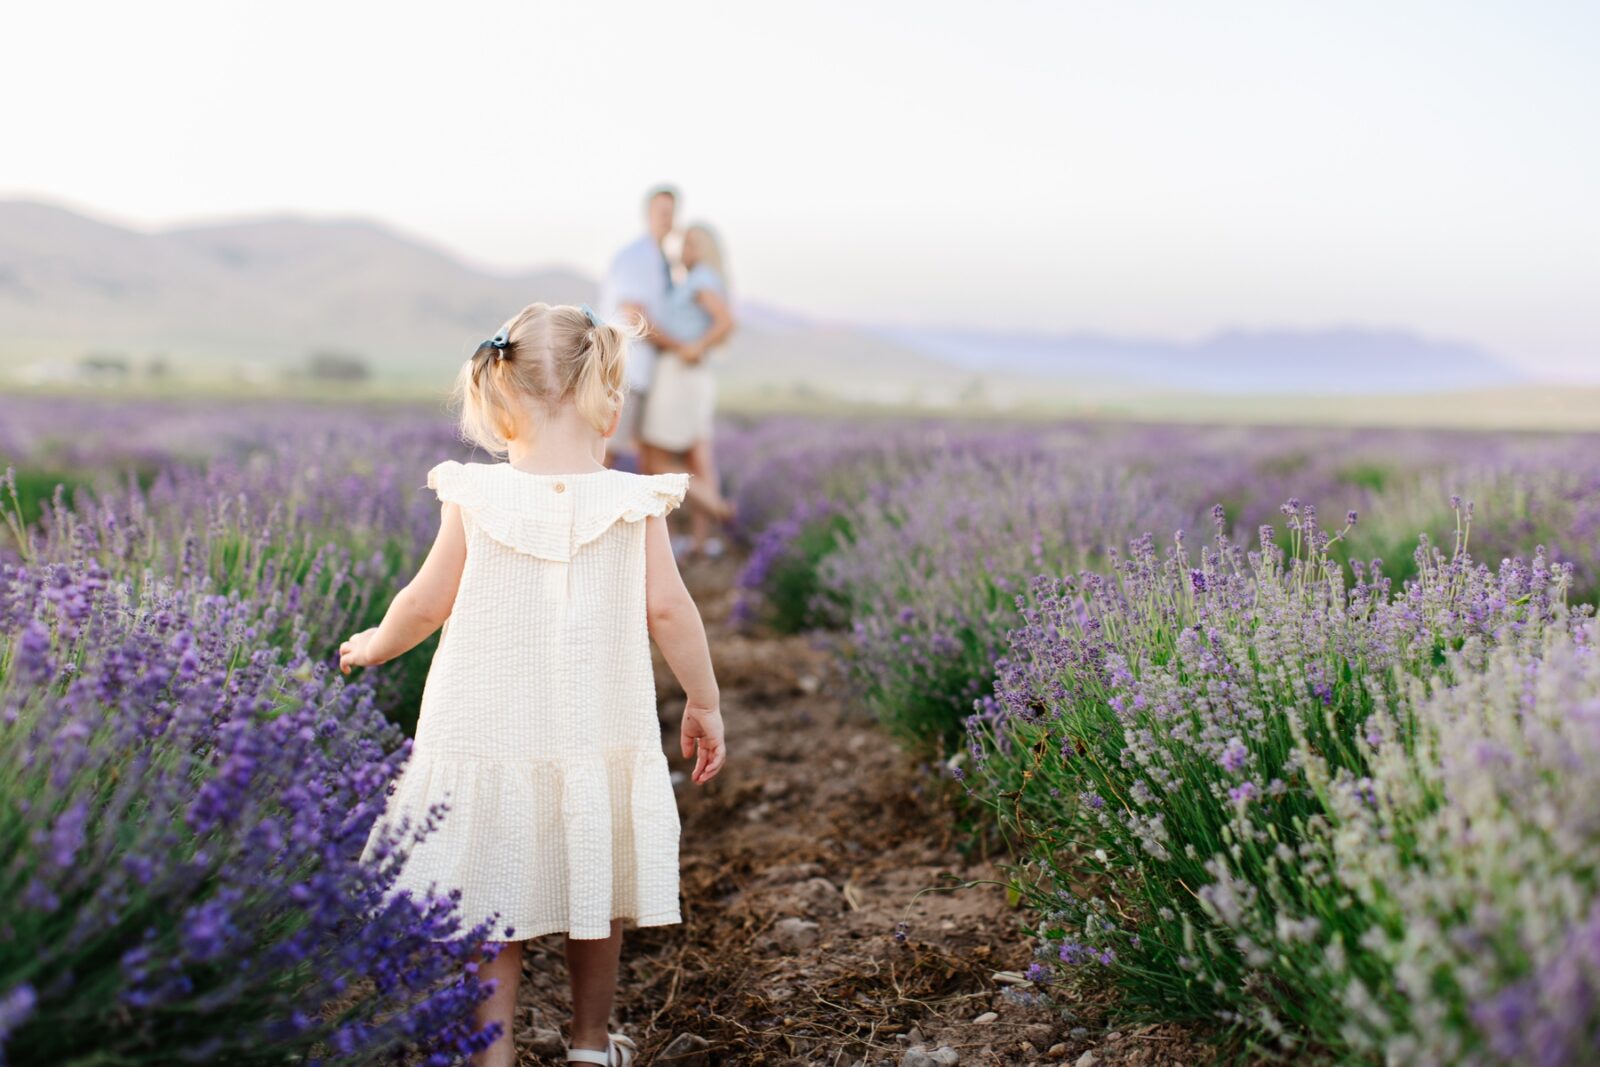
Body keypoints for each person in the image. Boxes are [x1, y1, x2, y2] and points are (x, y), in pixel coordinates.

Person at [339, 303, 726, 1067]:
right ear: (610, 400)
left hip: (487, 731)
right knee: (597, 894)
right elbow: (668, 609)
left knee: (491, 901)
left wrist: (376, 645)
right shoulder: (632, 499)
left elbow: (424, 600)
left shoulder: (476, 496)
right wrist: (703, 700)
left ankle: (496, 1053)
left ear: (501, 402)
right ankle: (588, 1044)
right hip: (594, 730)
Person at [637, 223, 736, 556]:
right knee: (697, 456)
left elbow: (725, 321)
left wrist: (696, 345)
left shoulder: (702, 279)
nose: (685, 250)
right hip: (688, 374)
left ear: (707, 249)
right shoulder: (693, 280)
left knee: (654, 457)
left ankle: (719, 510)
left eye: (692, 244)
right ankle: (699, 540)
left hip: (680, 372)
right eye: (684, 244)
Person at [598, 186, 677, 471]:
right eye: (661, 212)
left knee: (630, 453)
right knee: (608, 453)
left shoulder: (658, 259)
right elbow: (633, 317)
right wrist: (680, 346)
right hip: (626, 369)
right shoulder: (637, 257)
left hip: (641, 373)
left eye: (671, 213)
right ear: (648, 214)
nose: (667, 219)